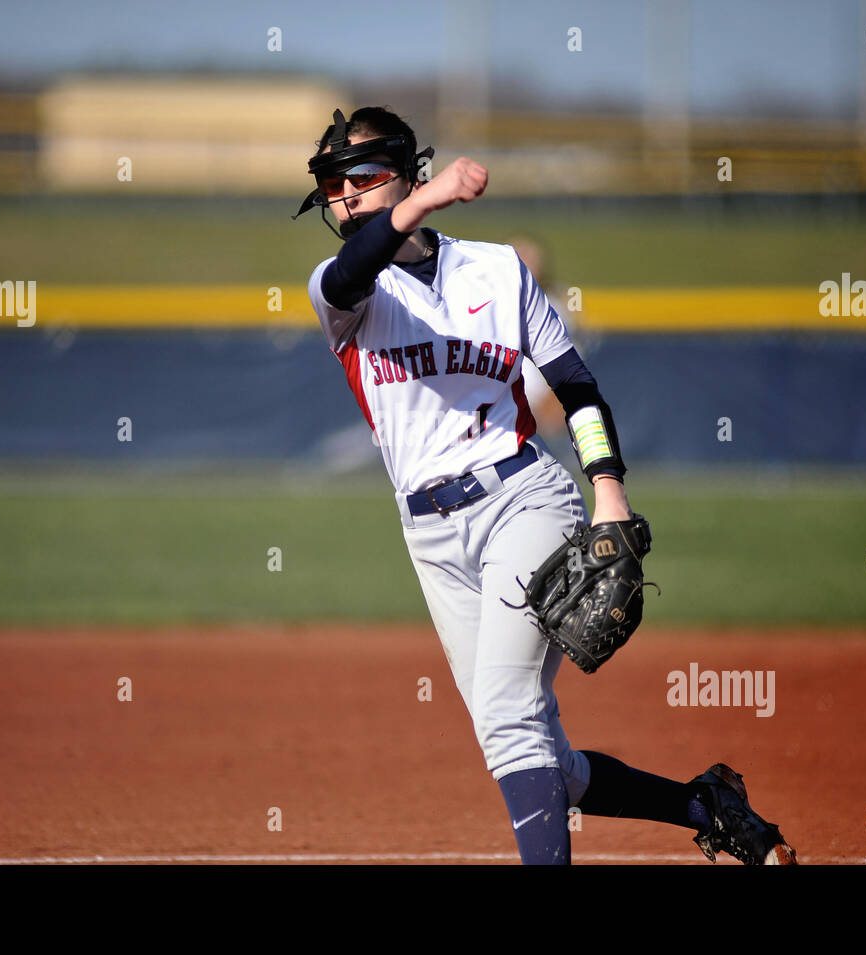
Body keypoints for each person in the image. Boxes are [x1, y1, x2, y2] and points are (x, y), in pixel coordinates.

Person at [295, 106, 796, 865]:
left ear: (407, 170)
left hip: (523, 500)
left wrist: (609, 490)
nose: (347, 196)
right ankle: (705, 804)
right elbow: (355, 262)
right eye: (334, 185)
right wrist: (420, 203)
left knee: (505, 715)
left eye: (362, 177)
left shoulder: (497, 271)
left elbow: (578, 389)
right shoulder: (347, 293)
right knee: (539, 757)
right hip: (431, 536)